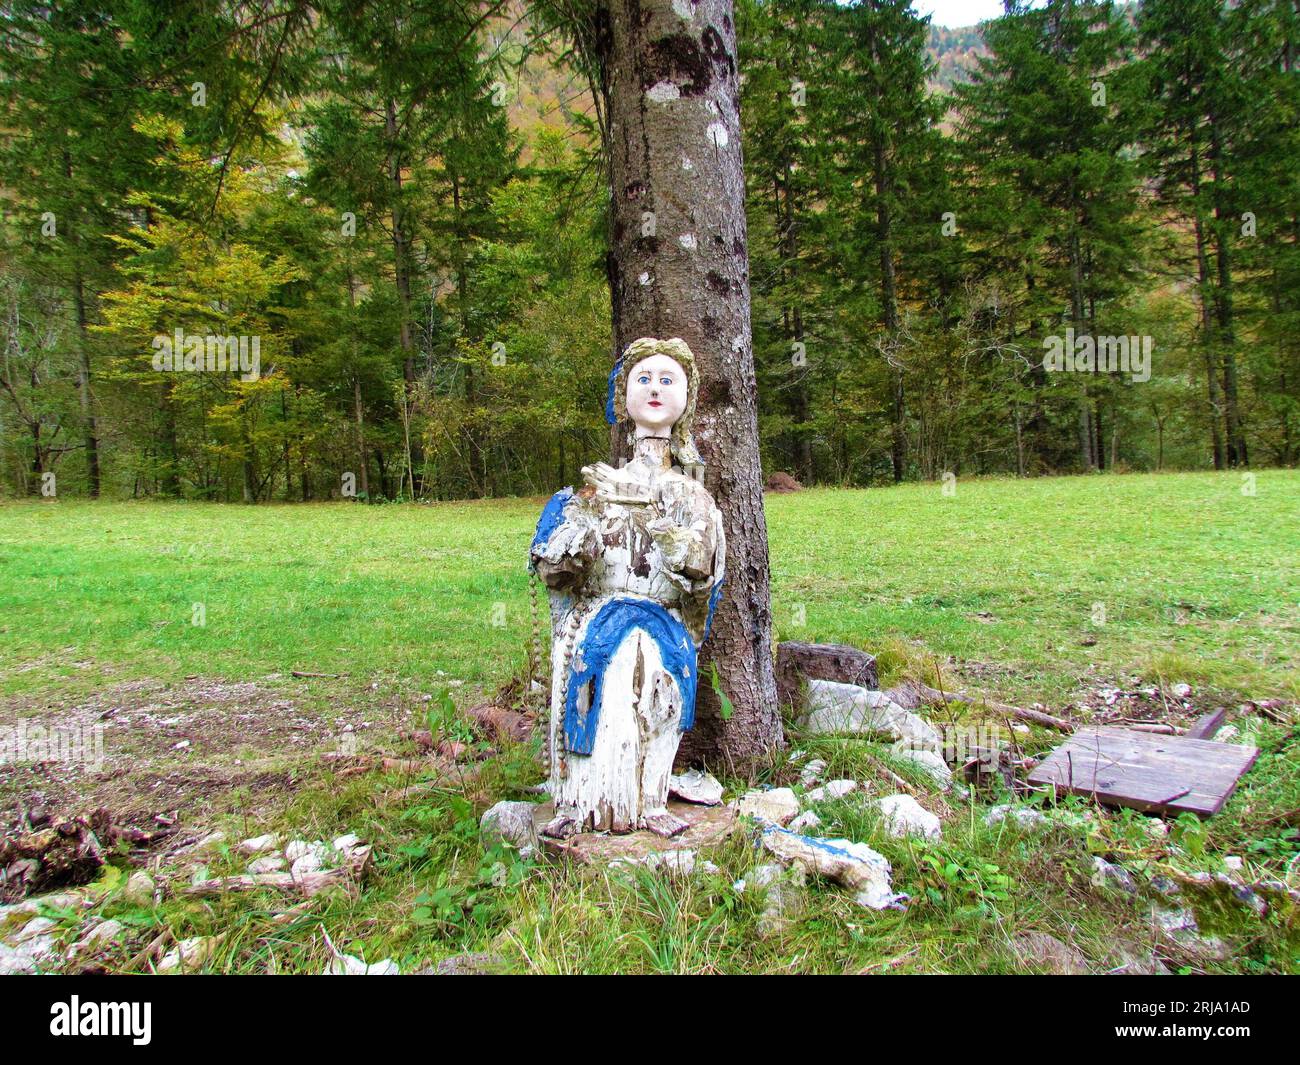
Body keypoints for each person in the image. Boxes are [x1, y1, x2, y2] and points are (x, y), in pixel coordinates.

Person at [529, 337, 725, 838]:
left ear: (687, 398)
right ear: (623, 397)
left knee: (655, 682)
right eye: (643, 379)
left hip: (663, 619)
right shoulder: (598, 485)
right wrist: (583, 533)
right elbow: (555, 568)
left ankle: (648, 797)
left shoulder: (690, 492)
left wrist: (671, 534)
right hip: (598, 616)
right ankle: (581, 798)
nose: (655, 389)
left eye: (667, 380)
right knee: (601, 664)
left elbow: (701, 569)